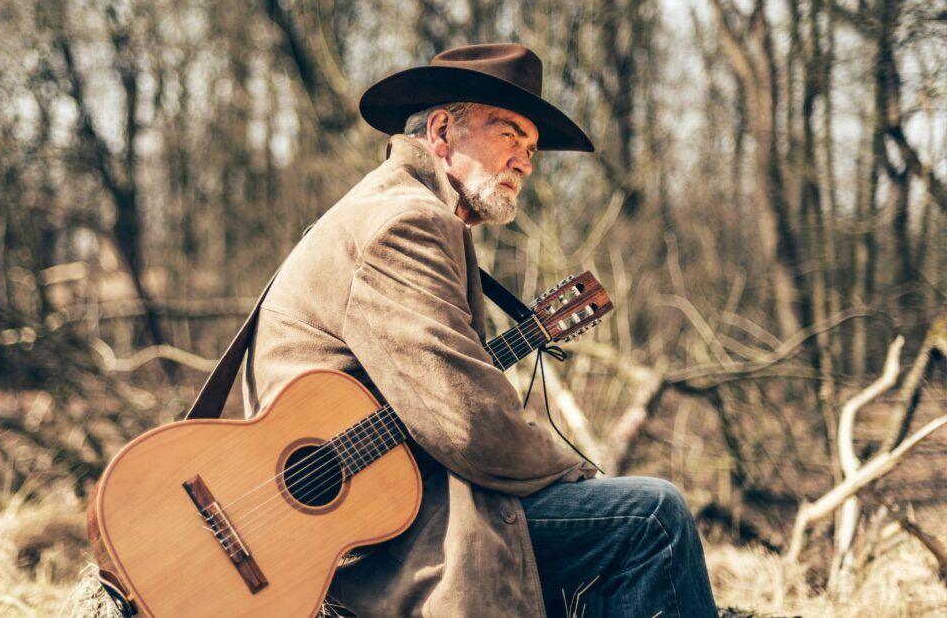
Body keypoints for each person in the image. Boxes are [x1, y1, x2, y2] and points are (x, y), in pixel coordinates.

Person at [243, 43, 717, 617]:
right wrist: (570, 472)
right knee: (652, 516)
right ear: (442, 131)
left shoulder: (386, 205)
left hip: (373, 505)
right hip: (351, 531)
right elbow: (464, 419)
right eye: (510, 134)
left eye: (532, 148)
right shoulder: (407, 222)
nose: (526, 162)